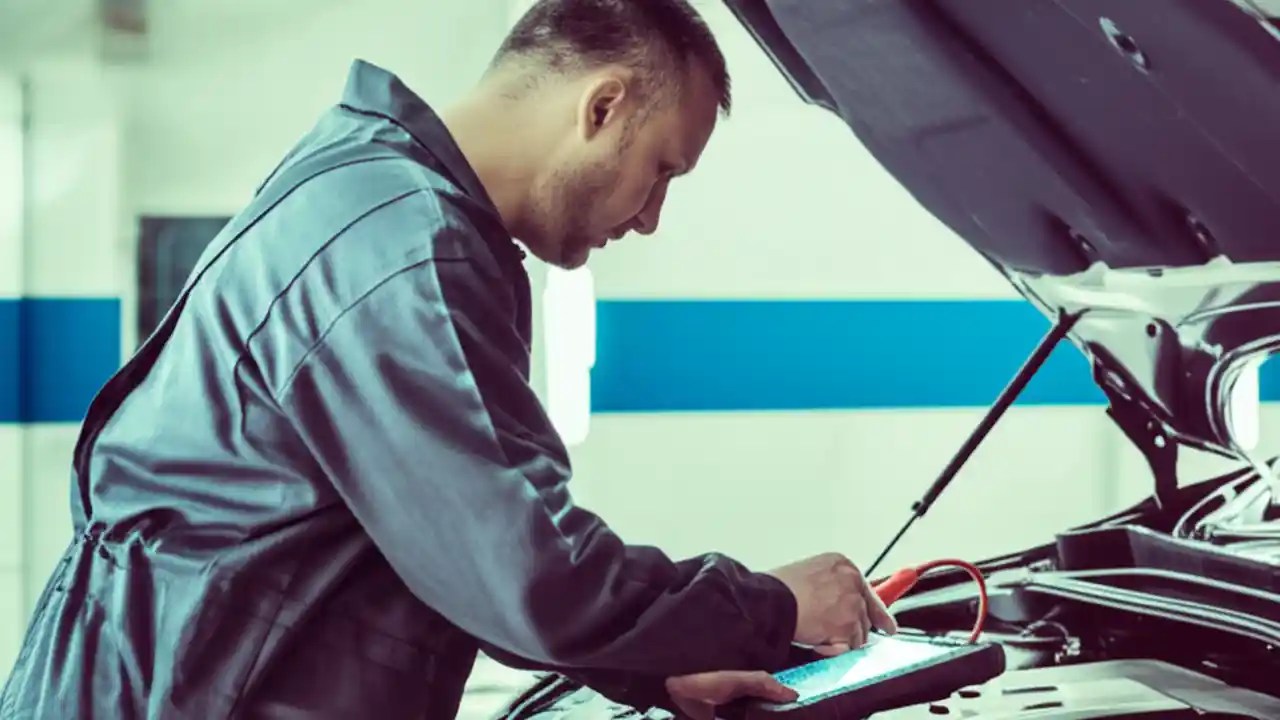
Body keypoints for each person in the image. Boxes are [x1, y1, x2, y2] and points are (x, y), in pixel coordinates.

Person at [0, 1, 895, 718]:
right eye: (663, 170)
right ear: (603, 105)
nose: (651, 215)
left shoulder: (370, 189)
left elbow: (444, 555)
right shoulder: (402, 246)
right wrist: (768, 608)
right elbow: (527, 570)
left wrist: (655, 672)